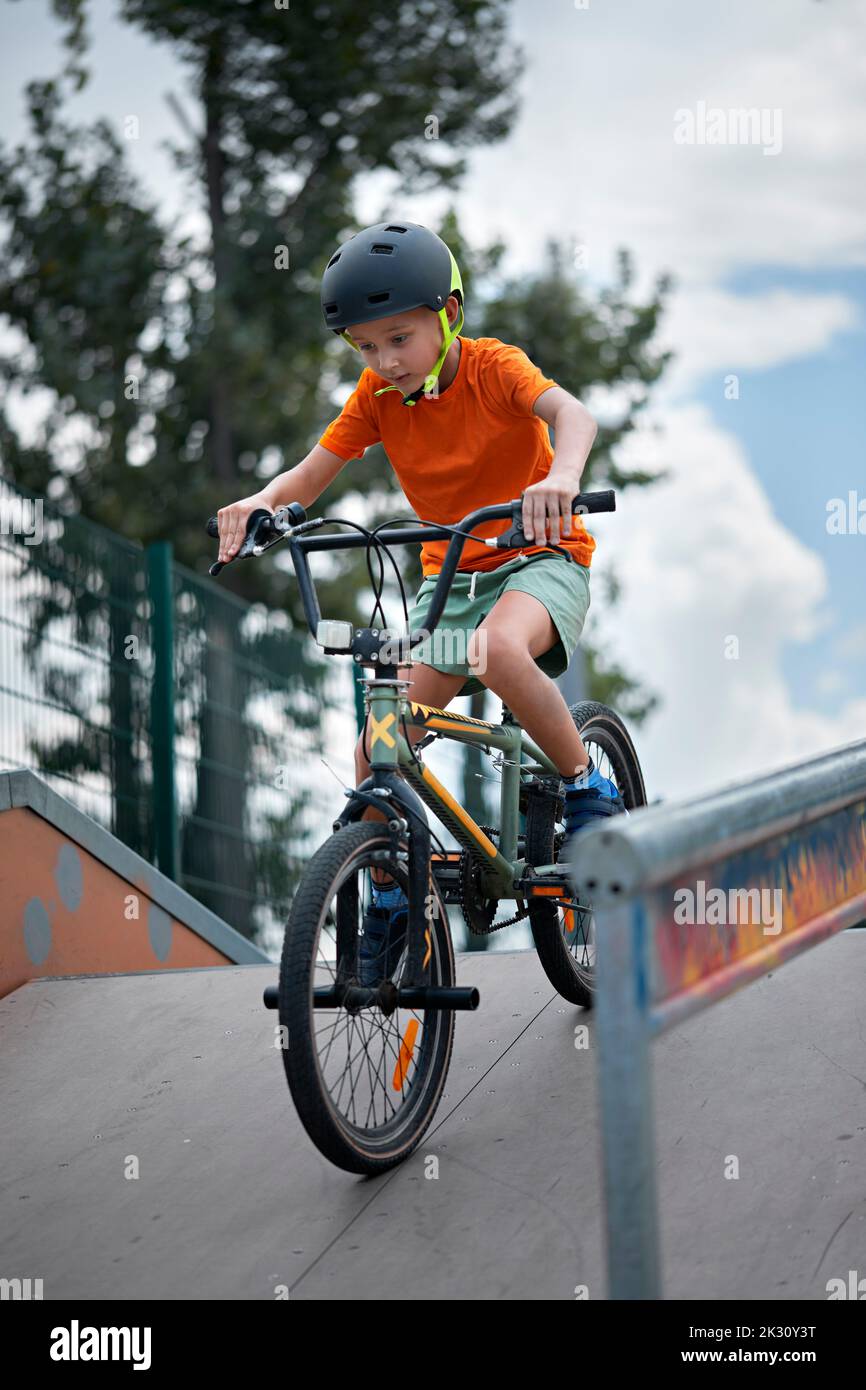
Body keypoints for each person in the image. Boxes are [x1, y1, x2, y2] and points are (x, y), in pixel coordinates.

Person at [217, 220, 623, 982]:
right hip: (450, 587)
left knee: (500, 651)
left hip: (539, 560)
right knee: (380, 736)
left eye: (399, 339)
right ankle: (391, 894)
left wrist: (560, 478)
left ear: (451, 316)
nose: (384, 362)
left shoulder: (495, 368)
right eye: (365, 348)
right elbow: (309, 476)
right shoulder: (376, 396)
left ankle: (585, 786)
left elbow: (575, 416)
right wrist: (258, 505)